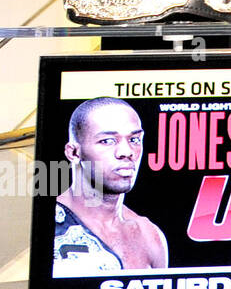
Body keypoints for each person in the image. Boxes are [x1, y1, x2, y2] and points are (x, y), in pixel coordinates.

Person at [54, 97, 167, 277]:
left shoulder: (149, 235)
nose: (126, 152)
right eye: (107, 141)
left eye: (135, 139)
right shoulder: (48, 223)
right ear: (74, 153)